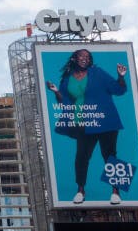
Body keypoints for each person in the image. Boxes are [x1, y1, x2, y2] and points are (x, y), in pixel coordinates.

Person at [45, 48, 128, 205]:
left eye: (87, 57)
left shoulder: (97, 73)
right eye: (81, 56)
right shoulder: (67, 79)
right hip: (83, 122)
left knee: (110, 156)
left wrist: (121, 76)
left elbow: (119, 90)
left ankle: (116, 191)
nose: (85, 58)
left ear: (90, 60)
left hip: (105, 121)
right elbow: (64, 101)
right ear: (74, 59)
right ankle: (81, 190)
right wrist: (56, 91)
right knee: (81, 157)